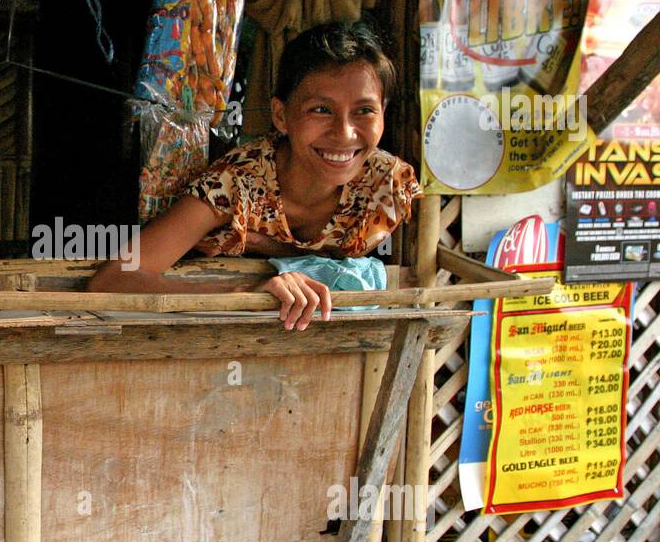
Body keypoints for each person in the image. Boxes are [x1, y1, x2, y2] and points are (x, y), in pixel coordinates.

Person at [89, 19, 422, 330]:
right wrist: (247, 295)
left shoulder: (388, 184)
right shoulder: (236, 184)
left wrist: (279, 251)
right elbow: (114, 279)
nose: (345, 132)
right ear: (281, 115)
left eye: (364, 111)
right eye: (321, 110)